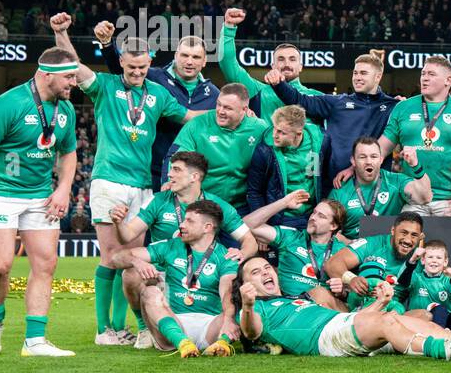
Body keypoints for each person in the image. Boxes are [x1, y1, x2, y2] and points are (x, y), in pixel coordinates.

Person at [54, 14, 204, 345]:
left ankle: (134, 326)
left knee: (135, 260)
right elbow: (72, 65)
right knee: (111, 255)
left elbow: (191, 116)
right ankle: (103, 329)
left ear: (150, 62)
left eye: (141, 68)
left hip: (142, 185)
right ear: (121, 61)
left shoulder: (159, 94)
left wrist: (229, 109)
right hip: (109, 180)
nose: (136, 73)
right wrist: (61, 33)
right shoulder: (106, 87)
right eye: (130, 67)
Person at [0, 46, 79, 357]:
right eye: (68, 77)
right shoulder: (7, 104)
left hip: (41, 196)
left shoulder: (65, 110)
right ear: (46, 75)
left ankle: (35, 341)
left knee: (46, 264)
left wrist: (63, 189)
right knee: (1, 266)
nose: (73, 82)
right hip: (1, 193)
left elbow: (68, 153)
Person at [237, 254, 451, 360]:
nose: (265, 272)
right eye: (255, 272)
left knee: (423, 324)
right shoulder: (257, 310)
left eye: (266, 267)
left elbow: (353, 321)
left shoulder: (295, 299)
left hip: (343, 328)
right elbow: (251, 333)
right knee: (388, 323)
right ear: (246, 286)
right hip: (324, 341)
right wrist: (248, 306)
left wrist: (380, 302)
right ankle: (438, 350)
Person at [111, 150, 256, 350]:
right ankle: (145, 328)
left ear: (194, 177)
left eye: (176, 170)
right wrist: (119, 223)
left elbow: (250, 241)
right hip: (159, 270)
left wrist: (241, 254)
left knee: (232, 289)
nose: (169, 174)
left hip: (202, 273)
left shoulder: (217, 207)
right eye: (171, 169)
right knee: (130, 273)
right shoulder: (159, 200)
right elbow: (126, 237)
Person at [111, 200, 240, 358]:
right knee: (150, 292)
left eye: (189, 221)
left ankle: (222, 343)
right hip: (173, 323)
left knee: (243, 299)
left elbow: (227, 291)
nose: (182, 225)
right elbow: (116, 258)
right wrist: (136, 262)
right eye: (184, 219)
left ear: (207, 227)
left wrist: (228, 320)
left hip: (211, 325)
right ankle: (183, 343)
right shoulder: (171, 246)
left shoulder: (225, 255)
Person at [101, 31, 220, 191]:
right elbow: (121, 71)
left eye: (196, 57)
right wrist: (107, 45)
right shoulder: (153, 77)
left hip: (190, 176)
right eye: (184, 55)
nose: (189, 62)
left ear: (204, 61)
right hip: (150, 171)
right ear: (176, 56)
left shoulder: (214, 95)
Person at [377, 55, 451, 217]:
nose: (424, 78)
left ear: (448, 80)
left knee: (450, 244)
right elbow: (381, 150)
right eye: (423, 73)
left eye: (431, 74)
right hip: (412, 199)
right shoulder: (403, 108)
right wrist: (354, 166)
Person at [267, 50, 401, 185]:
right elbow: (300, 100)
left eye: (363, 73)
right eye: (355, 73)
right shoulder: (337, 102)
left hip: (375, 185)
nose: (357, 77)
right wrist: (279, 84)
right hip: (336, 184)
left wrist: (405, 105)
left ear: (378, 77)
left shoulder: (394, 107)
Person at [166, 83, 269, 213]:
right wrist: (169, 180)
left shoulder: (259, 128)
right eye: (218, 104)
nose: (220, 111)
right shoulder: (197, 124)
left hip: (240, 207)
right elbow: (175, 156)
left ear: (244, 109)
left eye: (228, 108)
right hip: (202, 204)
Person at [215, 7, 322, 119]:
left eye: (292, 59)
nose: (286, 63)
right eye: (280, 59)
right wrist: (228, 28)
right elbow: (228, 63)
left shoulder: (316, 96)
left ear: (300, 67)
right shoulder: (257, 90)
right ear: (273, 66)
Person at [244, 197, 354, 301]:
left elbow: (351, 292)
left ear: (333, 226)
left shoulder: (343, 251)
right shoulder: (290, 237)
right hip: (290, 305)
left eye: (321, 216)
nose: (313, 217)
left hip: (321, 309)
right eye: (314, 212)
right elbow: (246, 224)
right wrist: (284, 203)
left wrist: (342, 292)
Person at [327, 137, 430, 238]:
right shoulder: (340, 191)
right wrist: (350, 245)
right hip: (353, 250)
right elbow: (328, 231)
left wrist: (415, 165)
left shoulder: (395, 181)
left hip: (386, 249)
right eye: (362, 157)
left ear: (381, 159)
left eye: (374, 156)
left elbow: (425, 198)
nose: (368, 161)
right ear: (353, 161)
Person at [246, 105, 324, 228]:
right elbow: (254, 192)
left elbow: (329, 174)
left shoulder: (319, 140)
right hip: (281, 218)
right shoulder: (264, 150)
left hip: (313, 214)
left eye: (282, 132)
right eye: (275, 129)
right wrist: (262, 224)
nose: (274, 135)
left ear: (298, 133)